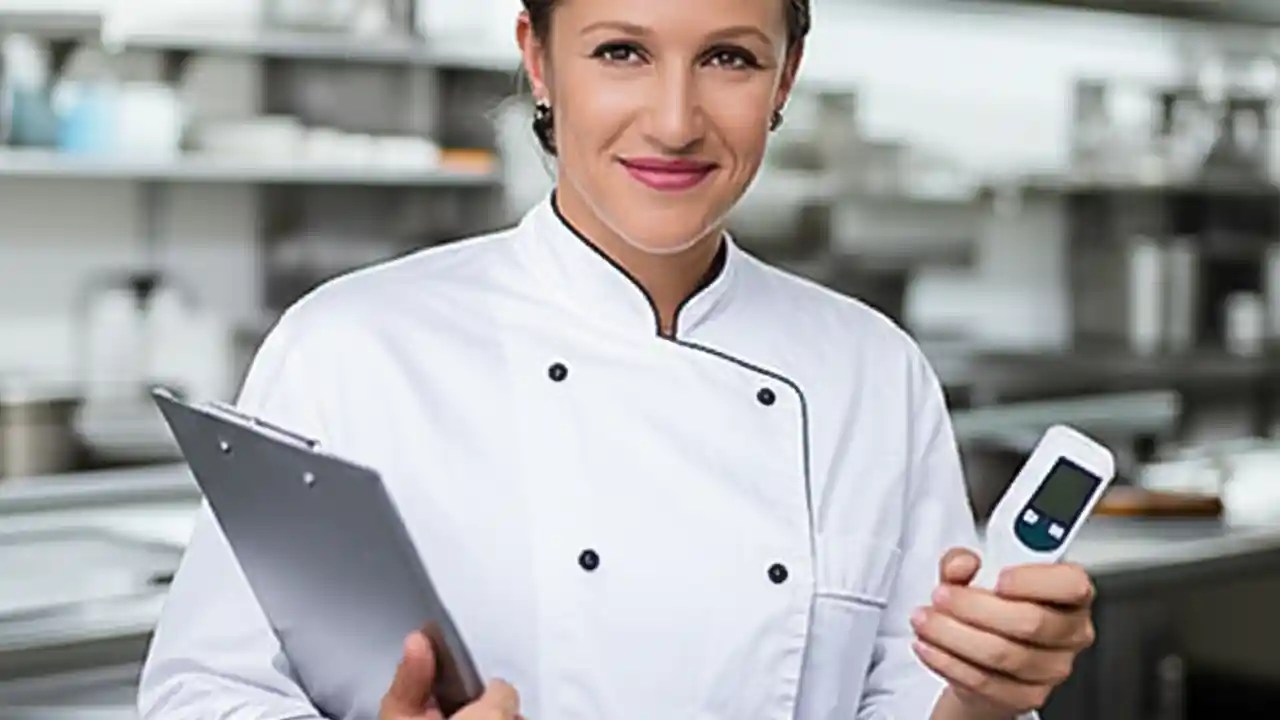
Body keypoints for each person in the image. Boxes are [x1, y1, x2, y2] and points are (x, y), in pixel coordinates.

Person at [137, 0, 1099, 718]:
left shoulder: (872, 372)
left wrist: (984, 695)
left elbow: (912, 696)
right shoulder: (352, 346)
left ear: (786, 78)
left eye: (727, 57)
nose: (675, 121)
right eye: (621, 52)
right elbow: (201, 693)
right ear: (539, 60)